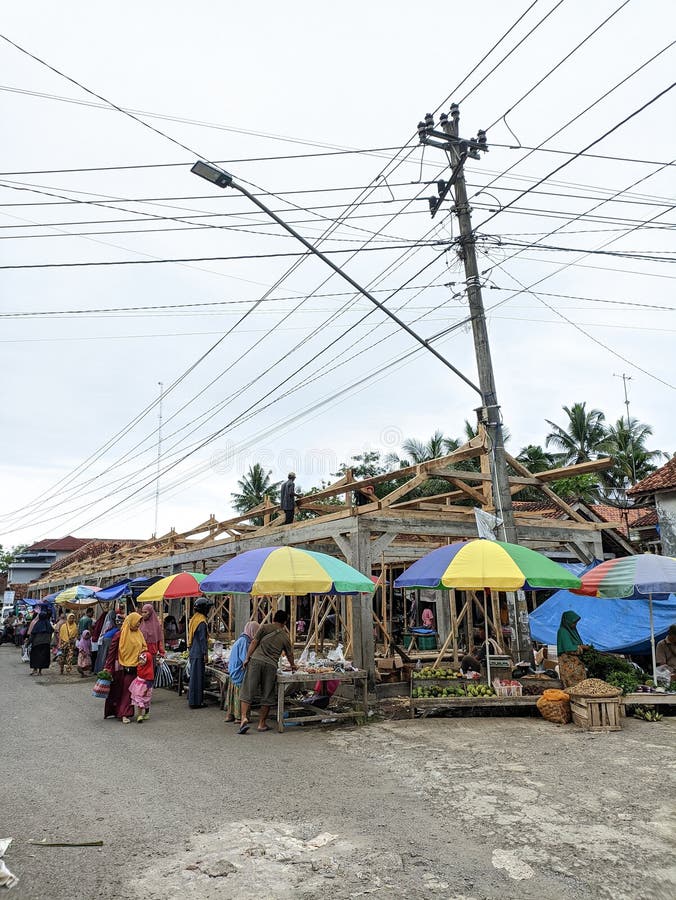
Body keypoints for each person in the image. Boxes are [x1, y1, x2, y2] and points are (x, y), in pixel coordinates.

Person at [239, 609, 296, 734]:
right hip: (270, 665)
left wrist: (247, 658)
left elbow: (254, 642)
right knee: (267, 694)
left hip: (255, 661)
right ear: (285, 622)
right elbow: (290, 655)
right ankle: (261, 724)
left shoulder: (264, 627)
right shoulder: (285, 637)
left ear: (274, 618)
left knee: (248, 689)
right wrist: (293, 666)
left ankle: (243, 717)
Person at [104, 612, 147, 724]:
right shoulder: (120, 634)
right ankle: (123, 713)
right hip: (122, 668)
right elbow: (112, 652)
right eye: (137, 621)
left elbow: (144, 648)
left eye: (139, 622)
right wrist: (108, 667)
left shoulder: (139, 634)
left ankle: (126, 712)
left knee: (133, 692)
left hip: (137, 667)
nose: (138, 624)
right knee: (124, 691)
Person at [225, 621, 260, 723]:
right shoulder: (245, 642)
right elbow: (245, 658)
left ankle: (230, 714)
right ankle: (240, 716)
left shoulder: (242, 639)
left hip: (233, 671)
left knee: (233, 693)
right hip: (239, 671)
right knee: (243, 694)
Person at [187, 598, 211, 709]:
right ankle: (196, 702)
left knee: (194, 677)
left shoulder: (194, 618)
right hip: (198, 652)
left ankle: (193, 699)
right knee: (197, 678)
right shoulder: (201, 621)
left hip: (193, 650)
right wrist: (205, 654)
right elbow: (202, 639)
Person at [556, 610, 588, 688]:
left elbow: (576, 643)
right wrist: (582, 647)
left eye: (575, 622)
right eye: (573, 622)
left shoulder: (572, 631)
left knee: (581, 687)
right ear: (567, 621)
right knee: (573, 688)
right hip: (570, 666)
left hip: (578, 666)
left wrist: (582, 646)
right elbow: (569, 648)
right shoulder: (562, 631)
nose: (575, 624)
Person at [129, 651, 155, 723]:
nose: (140, 661)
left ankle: (146, 713)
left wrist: (146, 689)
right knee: (139, 700)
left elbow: (150, 681)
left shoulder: (149, 671)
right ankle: (140, 715)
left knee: (146, 701)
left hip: (145, 687)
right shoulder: (140, 667)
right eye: (140, 659)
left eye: (143, 660)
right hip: (138, 686)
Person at [139, 603, 165, 672]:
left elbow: (159, 640)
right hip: (141, 655)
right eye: (142, 612)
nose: (143, 614)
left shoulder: (156, 625)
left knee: (150, 675)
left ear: (150, 612)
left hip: (152, 655)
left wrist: (162, 653)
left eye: (145, 612)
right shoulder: (140, 624)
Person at [94, 609, 122, 673]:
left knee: (104, 655)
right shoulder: (109, 622)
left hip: (105, 637)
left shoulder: (110, 621)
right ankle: (104, 669)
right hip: (108, 639)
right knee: (107, 655)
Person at [28, 610, 53, 676]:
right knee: (43, 657)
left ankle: (34, 669)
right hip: (46, 643)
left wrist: (28, 642)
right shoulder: (48, 624)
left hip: (36, 644)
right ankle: (40, 671)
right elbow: (51, 632)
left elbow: (33, 634)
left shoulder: (37, 624)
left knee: (35, 657)